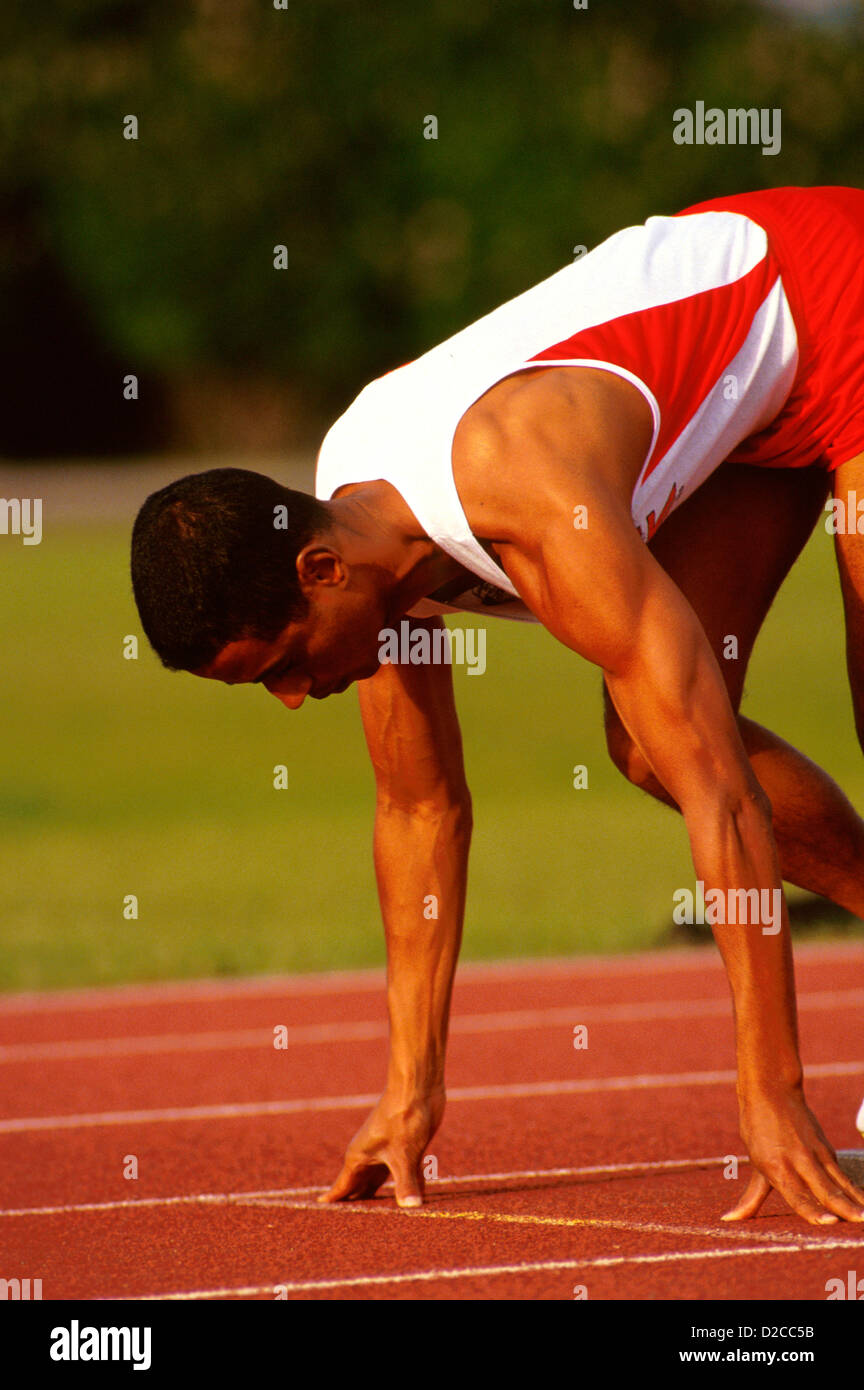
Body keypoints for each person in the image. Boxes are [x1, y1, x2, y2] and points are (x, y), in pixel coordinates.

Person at [131, 185, 864, 1226]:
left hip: (839, 299)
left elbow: (727, 796)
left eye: (281, 664)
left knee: (734, 735)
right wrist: (410, 1087)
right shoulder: (360, 522)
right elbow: (420, 810)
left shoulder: (524, 488)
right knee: (649, 749)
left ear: (322, 568)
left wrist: (774, 1086)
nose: (295, 699)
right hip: (753, 396)